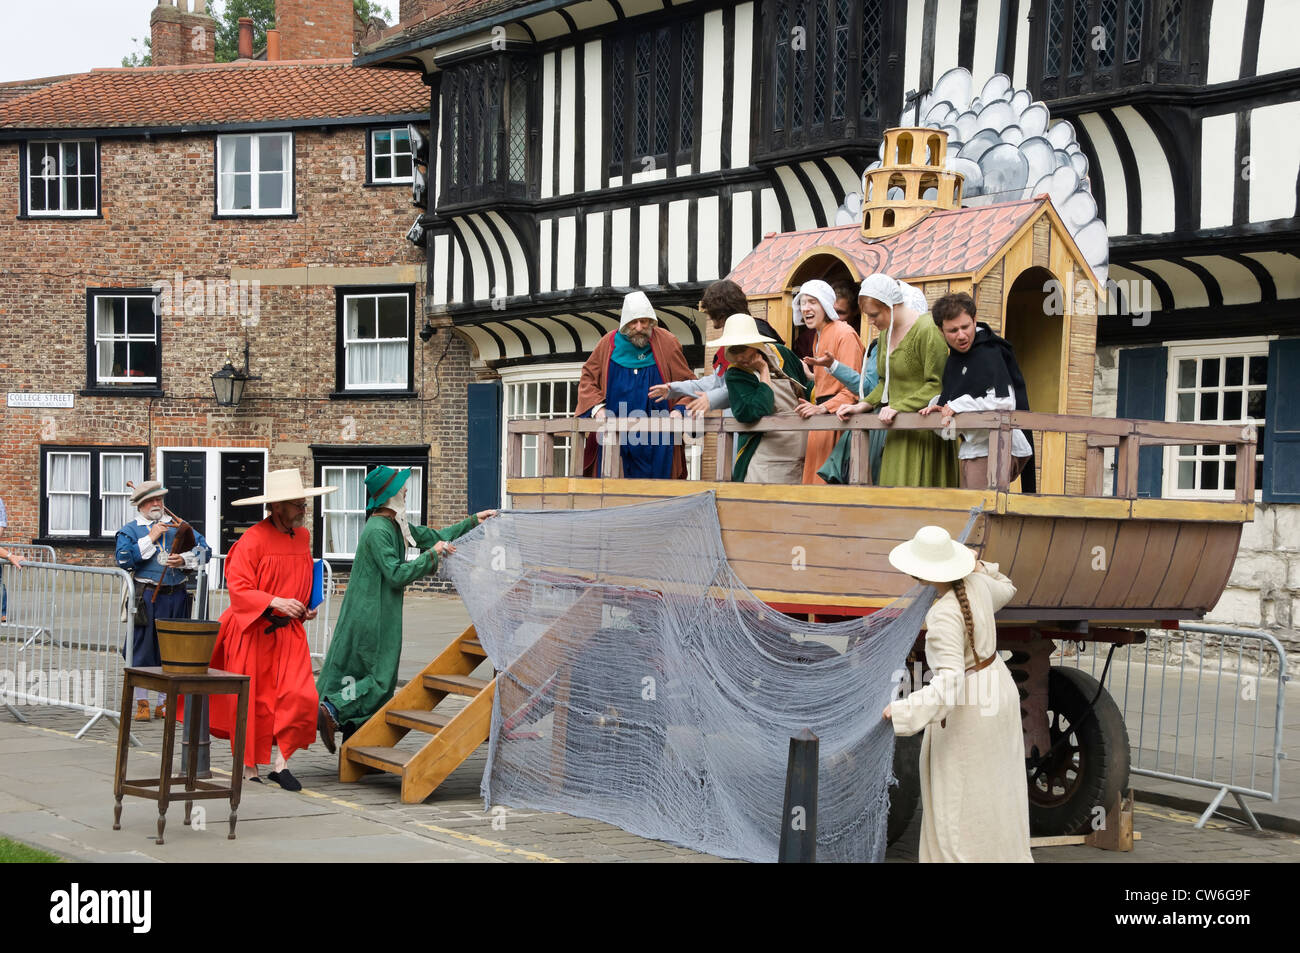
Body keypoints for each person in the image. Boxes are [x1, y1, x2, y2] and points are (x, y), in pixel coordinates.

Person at [316, 466, 497, 752]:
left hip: (376, 611)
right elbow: (396, 574)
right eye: (401, 487)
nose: (406, 490)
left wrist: (475, 520)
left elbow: (433, 535)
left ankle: (354, 741)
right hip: (373, 615)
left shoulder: (393, 525)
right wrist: (431, 555)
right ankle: (333, 709)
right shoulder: (378, 531)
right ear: (390, 495)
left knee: (365, 673)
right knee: (380, 679)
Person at [883, 525, 1032, 863]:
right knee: (995, 793)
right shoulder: (977, 586)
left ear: (921, 572)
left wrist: (904, 711)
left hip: (971, 709)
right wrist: (980, 567)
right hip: (997, 689)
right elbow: (1007, 588)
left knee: (957, 802)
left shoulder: (943, 615)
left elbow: (948, 685)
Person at [206, 469, 335, 790]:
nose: (304, 510)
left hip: (289, 630)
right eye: (297, 505)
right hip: (252, 631)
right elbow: (238, 588)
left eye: (304, 504)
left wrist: (307, 605)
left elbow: (303, 579)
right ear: (277, 507)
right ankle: (249, 767)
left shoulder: (303, 538)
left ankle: (282, 763)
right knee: (253, 702)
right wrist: (275, 601)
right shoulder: (250, 541)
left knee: (302, 695)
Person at [837, 273, 958, 488]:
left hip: (924, 430)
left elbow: (937, 385)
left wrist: (898, 406)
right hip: (896, 429)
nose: (871, 321)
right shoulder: (885, 334)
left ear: (890, 306)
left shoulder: (927, 329)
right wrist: (862, 406)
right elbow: (885, 382)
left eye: (874, 315)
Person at [114, 481, 211, 721]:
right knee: (142, 648)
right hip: (147, 596)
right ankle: (142, 702)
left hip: (176, 595)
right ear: (139, 505)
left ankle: (165, 703)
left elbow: (205, 551)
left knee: (173, 650)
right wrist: (151, 536)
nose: (156, 504)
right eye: (150, 500)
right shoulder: (131, 530)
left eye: (159, 499)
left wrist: (184, 560)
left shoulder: (179, 526)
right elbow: (124, 560)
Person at [920, 293, 1035, 491]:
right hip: (971, 451)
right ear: (941, 331)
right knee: (969, 515)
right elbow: (950, 429)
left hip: (994, 449)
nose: (961, 335)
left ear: (974, 320)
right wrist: (940, 409)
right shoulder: (954, 361)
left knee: (979, 516)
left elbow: (1004, 403)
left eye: (965, 327)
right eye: (953, 330)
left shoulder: (990, 352)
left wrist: (957, 405)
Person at [577, 290, 695, 479]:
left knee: (657, 493)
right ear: (625, 323)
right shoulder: (607, 344)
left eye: (644, 321)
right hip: (613, 433)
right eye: (634, 322)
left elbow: (689, 384)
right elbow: (588, 379)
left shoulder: (668, 343)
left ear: (651, 320)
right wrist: (597, 408)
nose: (639, 327)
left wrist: (679, 410)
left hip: (659, 439)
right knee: (610, 490)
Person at [649, 279, 783, 416]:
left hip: (761, 422)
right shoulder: (730, 341)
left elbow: (744, 385)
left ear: (721, 314)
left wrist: (711, 399)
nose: (708, 316)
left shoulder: (756, 335)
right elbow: (714, 382)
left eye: (710, 312)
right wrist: (674, 388)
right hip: (740, 421)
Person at [709, 313, 809, 483]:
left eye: (743, 349)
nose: (740, 357)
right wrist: (763, 372)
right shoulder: (736, 374)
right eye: (734, 350)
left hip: (800, 453)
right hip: (764, 457)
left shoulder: (783, 354)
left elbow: (806, 386)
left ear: (755, 344)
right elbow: (753, 411)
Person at [794, 279, 864, 484]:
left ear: (825, 304)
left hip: (838, 421)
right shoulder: (819, 336)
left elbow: (854, 389)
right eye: (803, 302)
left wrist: (824, 408)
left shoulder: (845, 333)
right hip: (822, 422)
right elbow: (829, 382)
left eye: (812, 302)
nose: (806, 308)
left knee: (831, 492)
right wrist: (812, 377)